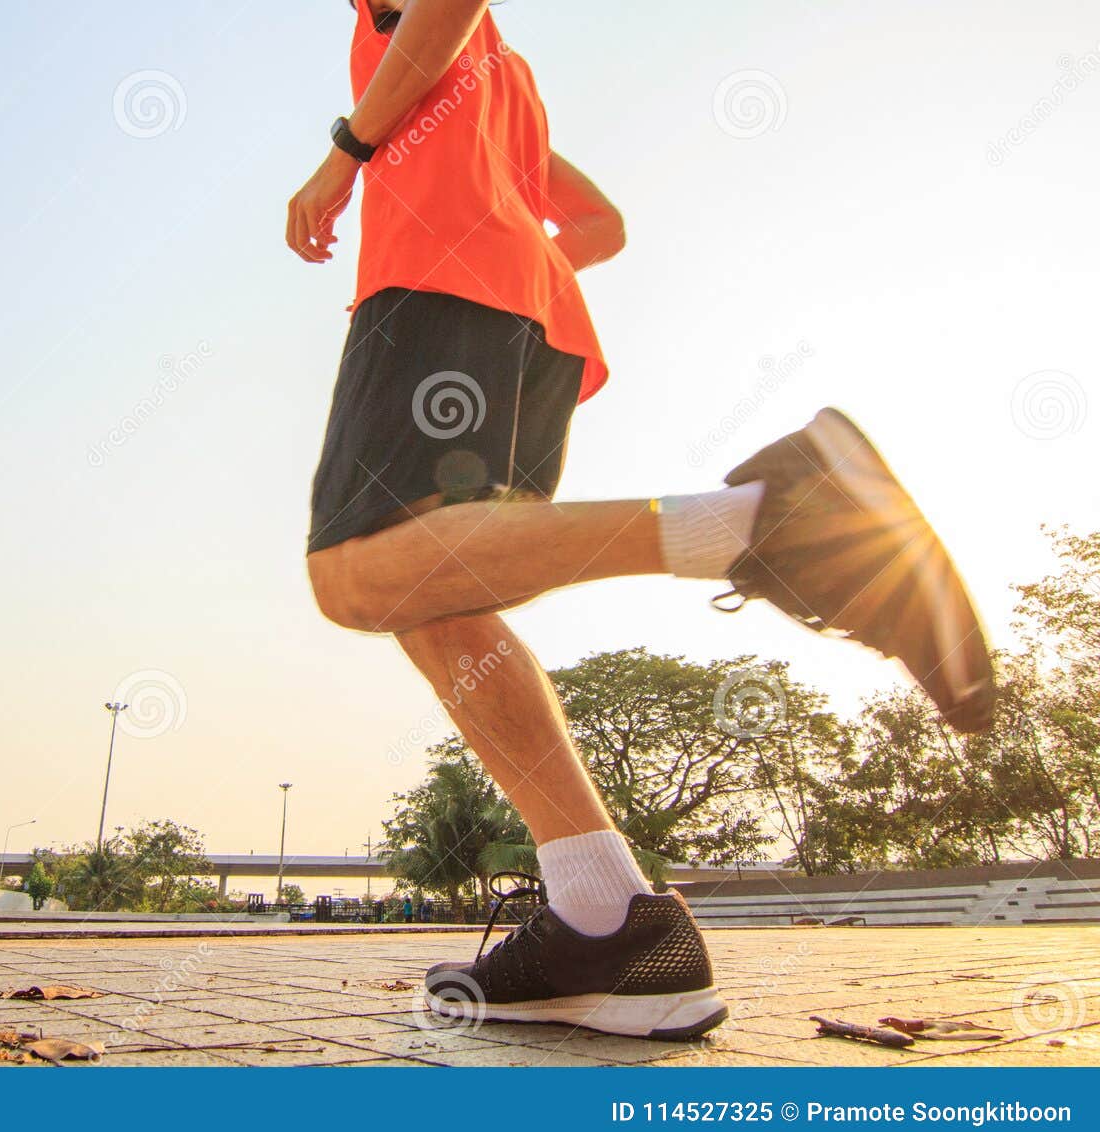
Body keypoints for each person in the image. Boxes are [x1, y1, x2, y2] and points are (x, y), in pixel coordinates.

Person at [287, 0, 994, 1040]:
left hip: (437, 291)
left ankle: (762, 518)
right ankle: (605, 914)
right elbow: (600, 228)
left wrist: (345, 152)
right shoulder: (502, 88)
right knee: (436, 597)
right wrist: (510, 258)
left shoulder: (405, 35)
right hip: (531, 324)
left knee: (354, 572)